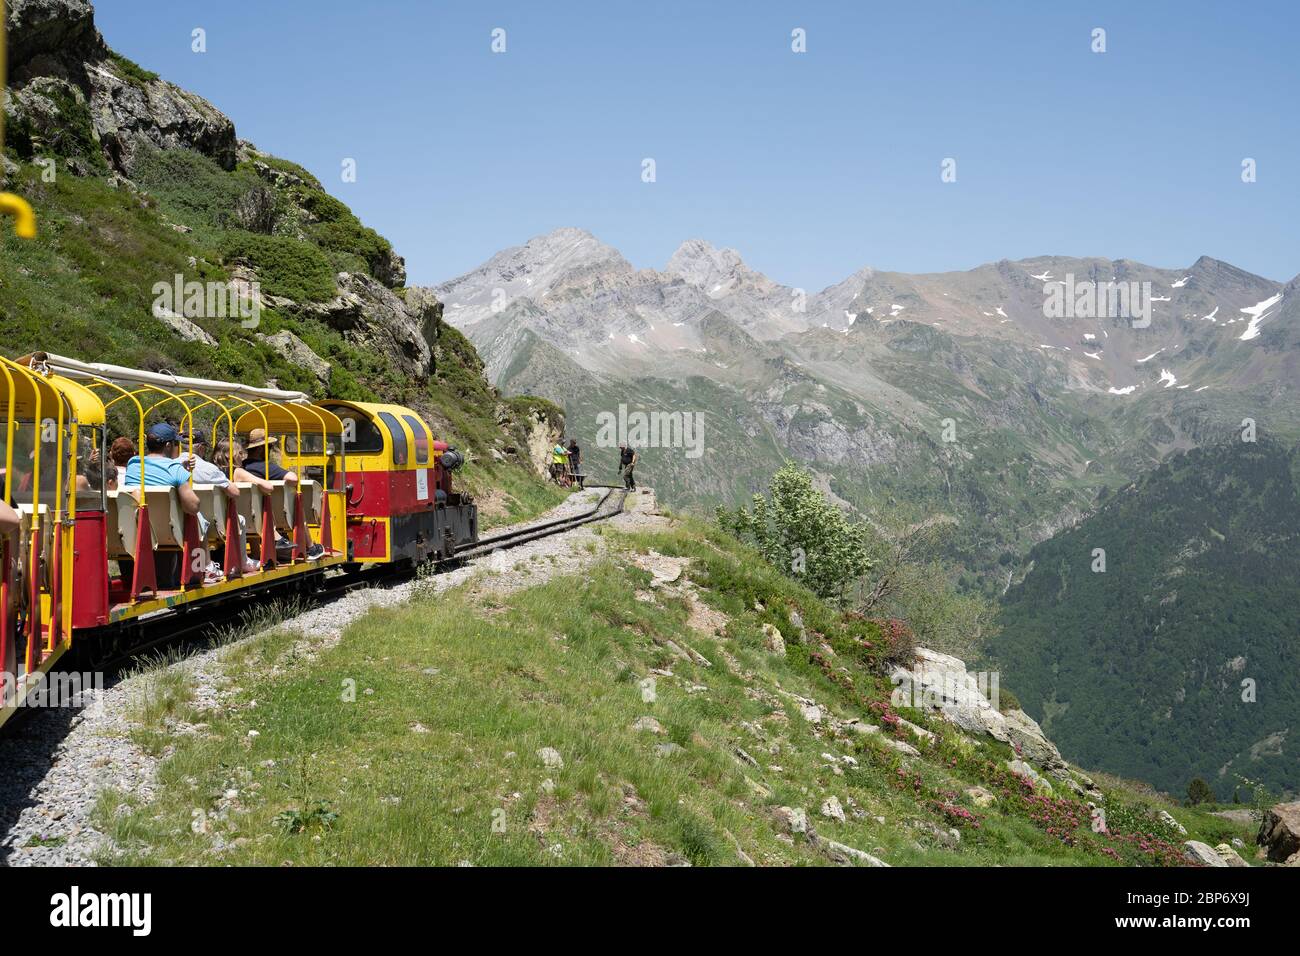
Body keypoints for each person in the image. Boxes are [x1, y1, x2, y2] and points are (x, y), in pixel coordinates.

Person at [120, 422, 211, 586]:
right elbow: (193, 505)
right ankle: (204, 567)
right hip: (169, 532)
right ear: (169, 445)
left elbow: (156, 472)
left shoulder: (133, 464)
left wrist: (179, 468)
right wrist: (181, 472)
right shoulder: (174, 468)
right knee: (201, 521)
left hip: (138, 528)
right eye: (176, 443)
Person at [181, 429, 258, 575]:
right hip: (212, 524)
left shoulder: (170, 466)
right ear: (202, 448)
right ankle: (242, 560)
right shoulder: (209, 469)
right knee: (239, 519)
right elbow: (234, 492)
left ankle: (203, 564)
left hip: (178, 522)